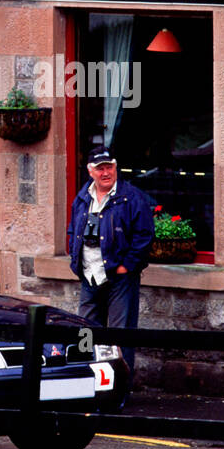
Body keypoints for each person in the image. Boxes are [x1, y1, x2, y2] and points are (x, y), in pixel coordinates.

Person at [67, 145, 154, 375]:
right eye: (100, 168)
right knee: (85, 330)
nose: (106, 173)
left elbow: (145, 236)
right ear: (90, 171)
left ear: (116, 168)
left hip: (119, 277)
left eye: (109, 167)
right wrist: (74, 256)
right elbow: (72, 229)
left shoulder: (132, 197)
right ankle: (85, 377)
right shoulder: (83, 197)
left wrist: (127, 266)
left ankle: (119, 385)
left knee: (119, 334)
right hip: (89, 275)